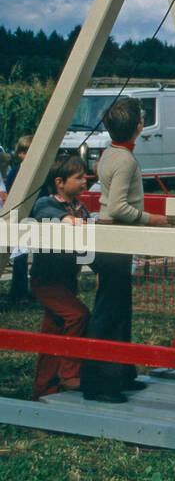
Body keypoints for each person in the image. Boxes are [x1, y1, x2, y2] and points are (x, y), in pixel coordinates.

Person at [82, 96, 169, 403]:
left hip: (111, 238)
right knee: (109, 313)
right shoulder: (125, 160)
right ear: (138, 127)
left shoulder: (110, 154)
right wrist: (151, 219)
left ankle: (120, 373)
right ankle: (97, 383)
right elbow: (118, 207)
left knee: (118, 308)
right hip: (115, 238)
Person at [29, 154, 93, 398]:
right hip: (47, 281)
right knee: (79, 315)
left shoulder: (80, 208)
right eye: (79, 178)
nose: (85, 181)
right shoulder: (49, 203)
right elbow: (42, 210)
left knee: (52, 333)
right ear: (60, 182)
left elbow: (88, 240)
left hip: (67, 281)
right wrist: (66, 219)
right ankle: (69, 374)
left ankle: (43, 388)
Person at [4, 134, 32, 304]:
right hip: (19, 218)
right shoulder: (15, 172)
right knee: (20, 257)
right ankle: (19, 292)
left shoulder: (44, 173)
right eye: (24, 152)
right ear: (20, 154)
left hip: (36, 216)